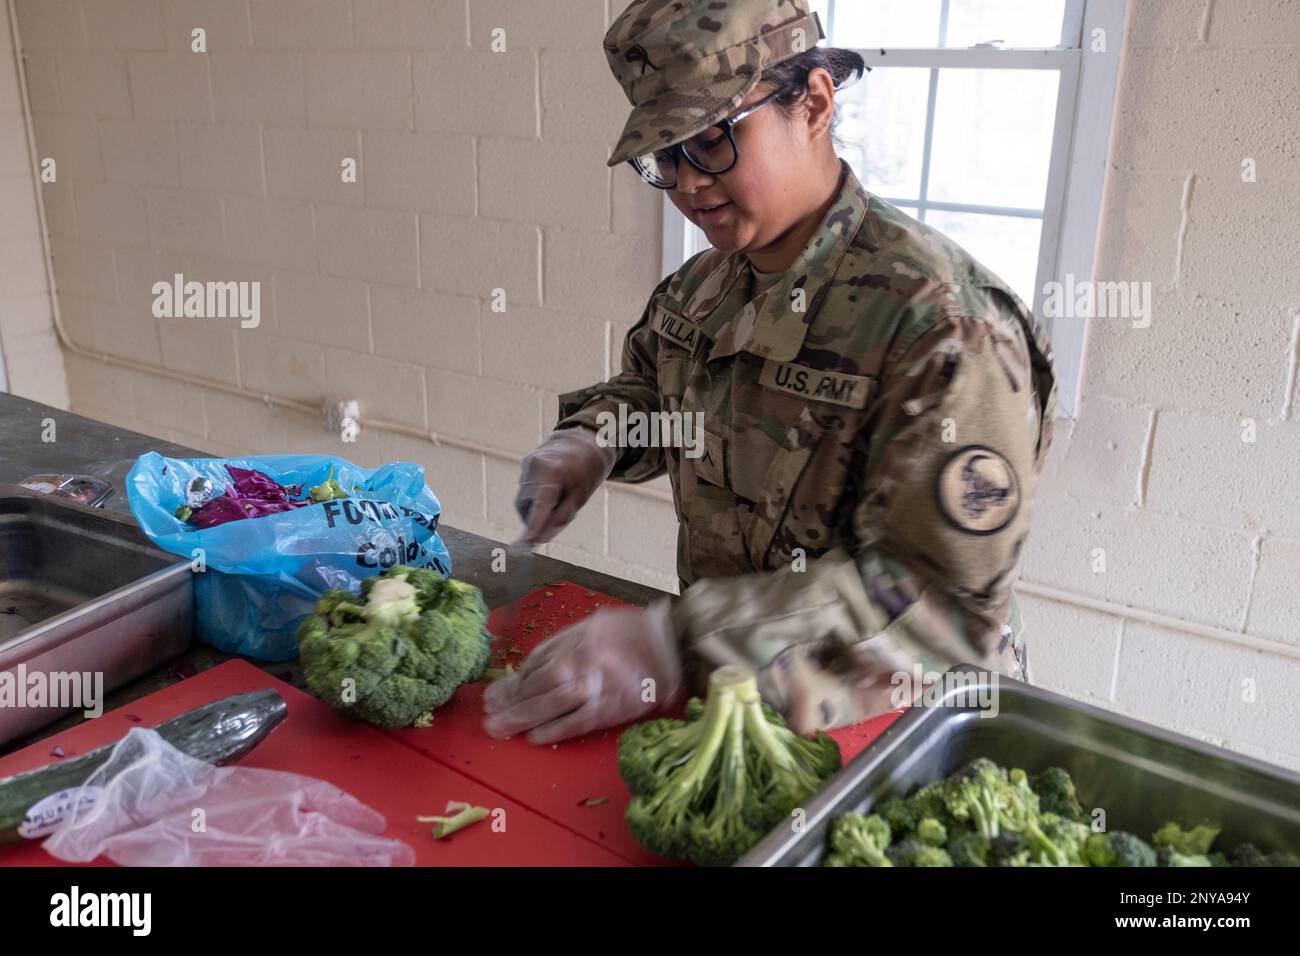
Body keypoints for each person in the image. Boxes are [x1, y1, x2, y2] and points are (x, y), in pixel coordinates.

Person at [483, 0, 1056, 745]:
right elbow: (659, 398)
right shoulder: (704, 288)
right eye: (665, 155)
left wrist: (675, 642)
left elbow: (939, 602)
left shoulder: (945, 326)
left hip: (901, 729)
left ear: (813, 102)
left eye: (712, 141)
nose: (687, 182)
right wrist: (590, 442)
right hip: (741, 712)